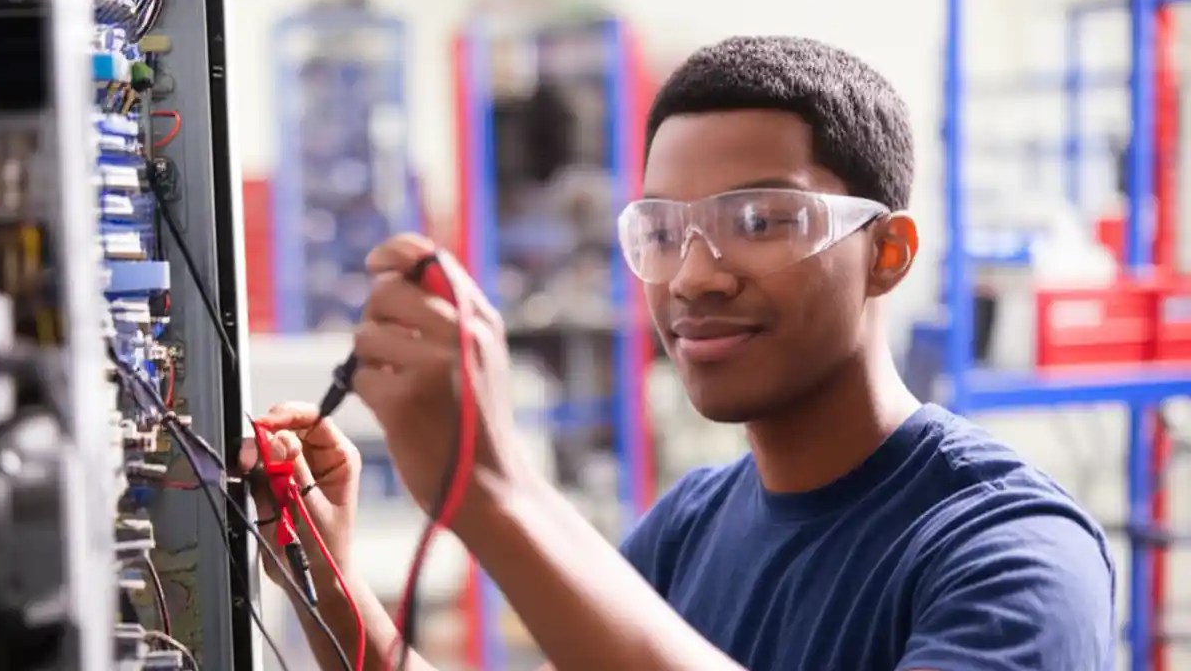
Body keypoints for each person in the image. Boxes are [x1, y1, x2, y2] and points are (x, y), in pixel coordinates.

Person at [244, 36, 1115, 671]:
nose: (694, 277)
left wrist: (496, 489)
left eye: (760, 222)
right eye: (661, 231)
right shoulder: (693, 523)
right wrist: (327, 584)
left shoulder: (1013, 554)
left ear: (886, 255)